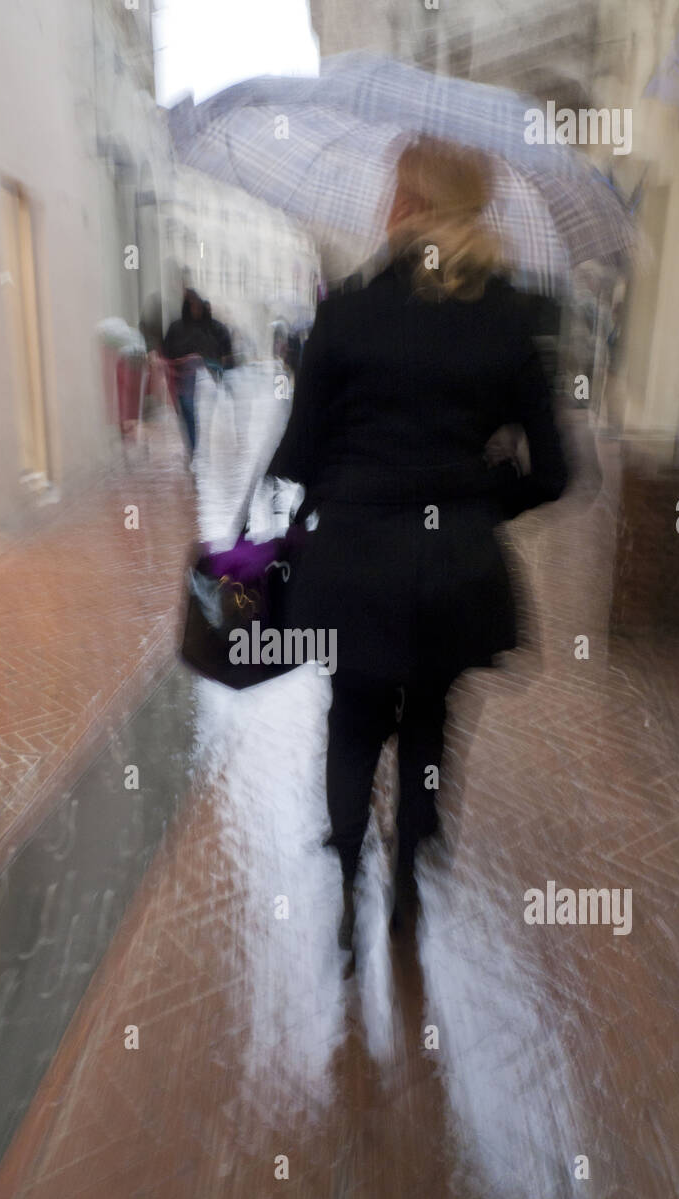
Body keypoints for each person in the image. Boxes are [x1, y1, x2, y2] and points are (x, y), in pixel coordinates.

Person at [265, 137, 569, 968]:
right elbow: (557, 472)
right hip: (453, 571)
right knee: (430, 716)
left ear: (407, 207)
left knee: (353, 717)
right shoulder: (511, 318)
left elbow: (295, 456)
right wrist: (479, 497)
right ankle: (409, 870)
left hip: (351, 567)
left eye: (391, 193)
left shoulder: (348, 311)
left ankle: (349, 873)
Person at [162, 288, 217, 462]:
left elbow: (207, 350)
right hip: (177, 375)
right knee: (185, 414)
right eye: (192, 305)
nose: (195, 309)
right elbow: (167, 349)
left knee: (188, 409)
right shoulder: (176, 326)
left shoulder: (200, 328)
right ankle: (193, 447)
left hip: (191, 376)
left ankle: (194, 449)